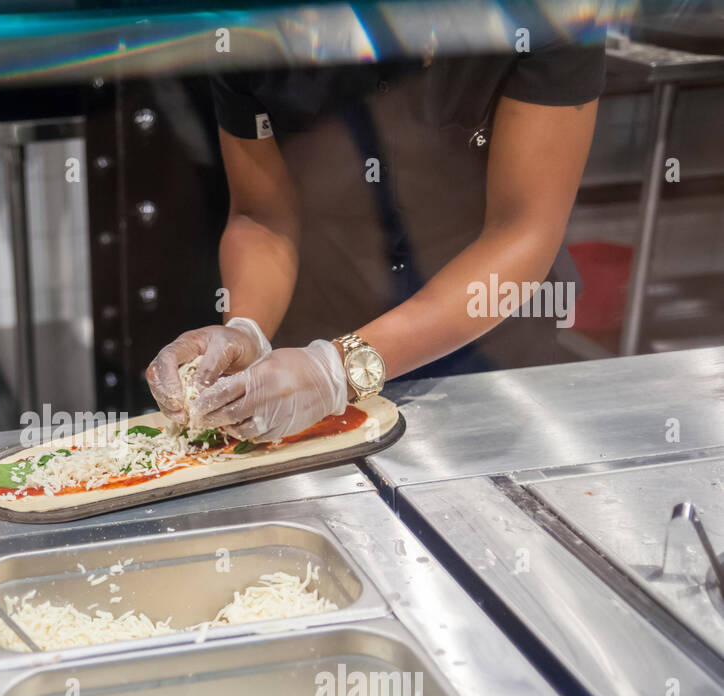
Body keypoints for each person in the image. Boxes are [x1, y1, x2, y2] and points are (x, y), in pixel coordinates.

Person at [147, 26, 605, 442]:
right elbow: (262, 218)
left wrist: (338, 369)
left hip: (485, 349)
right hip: (311, 355)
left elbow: (522, 230)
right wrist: (247, 329)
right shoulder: (250, 26)